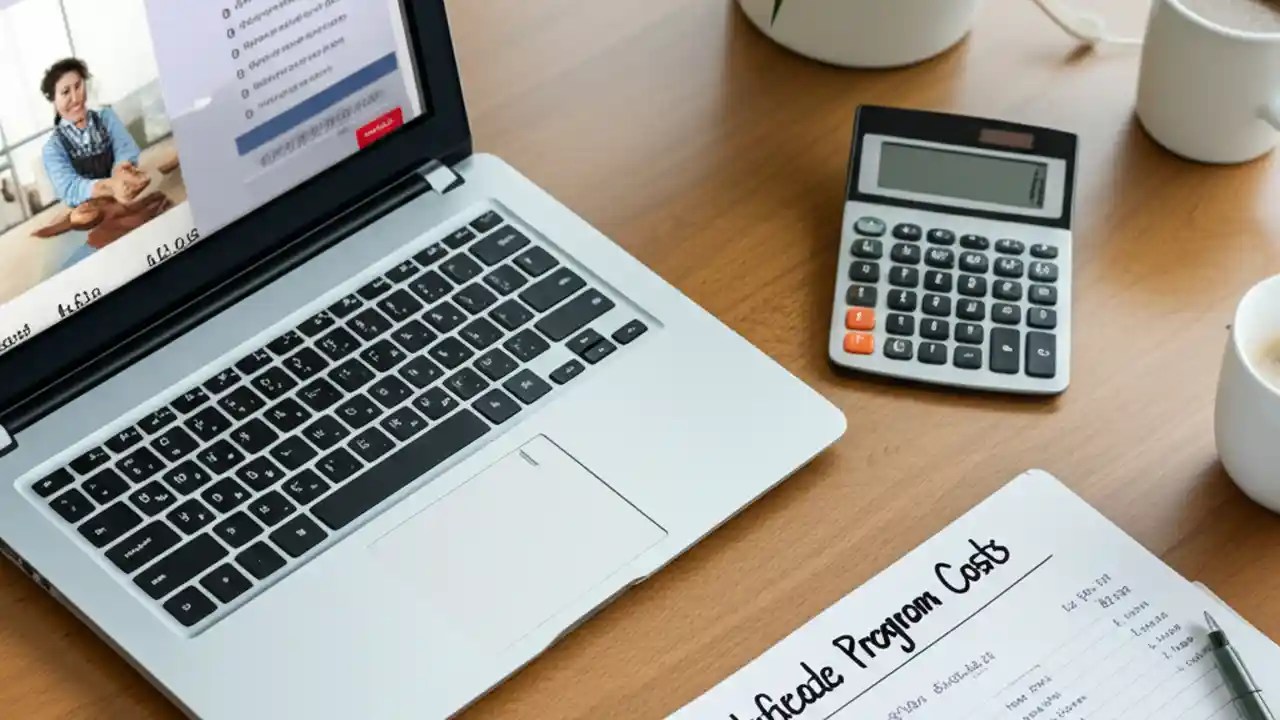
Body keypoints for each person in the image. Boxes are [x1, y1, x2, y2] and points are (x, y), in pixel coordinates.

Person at [40, 58, 150, 226]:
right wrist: (110, 186)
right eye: (65, 92)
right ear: (53, 100)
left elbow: (125, 148)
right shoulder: (52, 149)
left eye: (78, 86)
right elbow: (70, 188)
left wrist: (121, 171)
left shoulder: (106, 116)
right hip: (90, 209)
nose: (76, 98)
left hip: (124, 191)